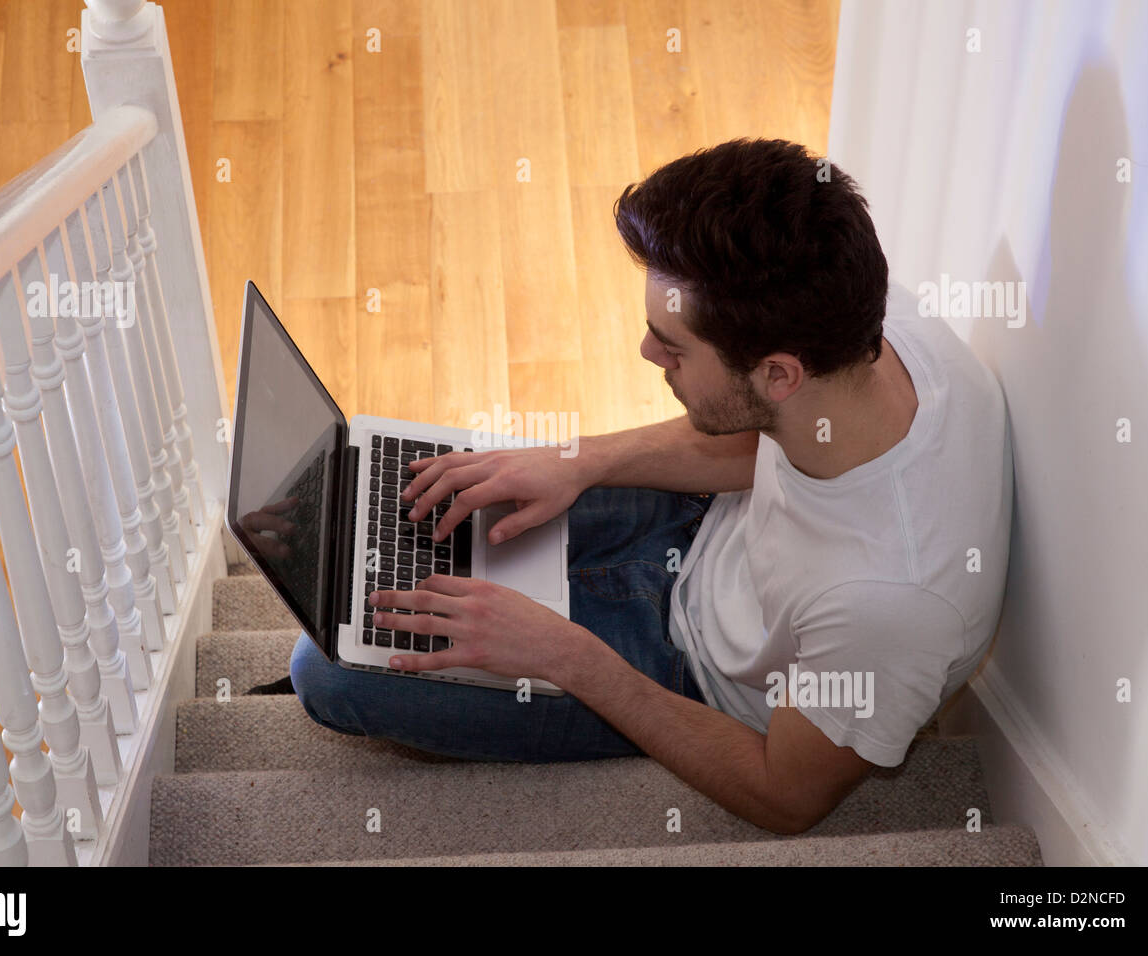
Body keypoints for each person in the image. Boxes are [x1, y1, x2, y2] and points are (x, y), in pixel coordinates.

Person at [289, 137, 1013, 834]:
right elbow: (764, 438)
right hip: (706, 521)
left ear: (779, 373)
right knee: (402, 497)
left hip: (687, 676)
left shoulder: (888, 607)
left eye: (672, 346)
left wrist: (564, 656)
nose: (645, 352)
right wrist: (578, 461)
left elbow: (785, 798)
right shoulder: (872, 328)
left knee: (330, 673)